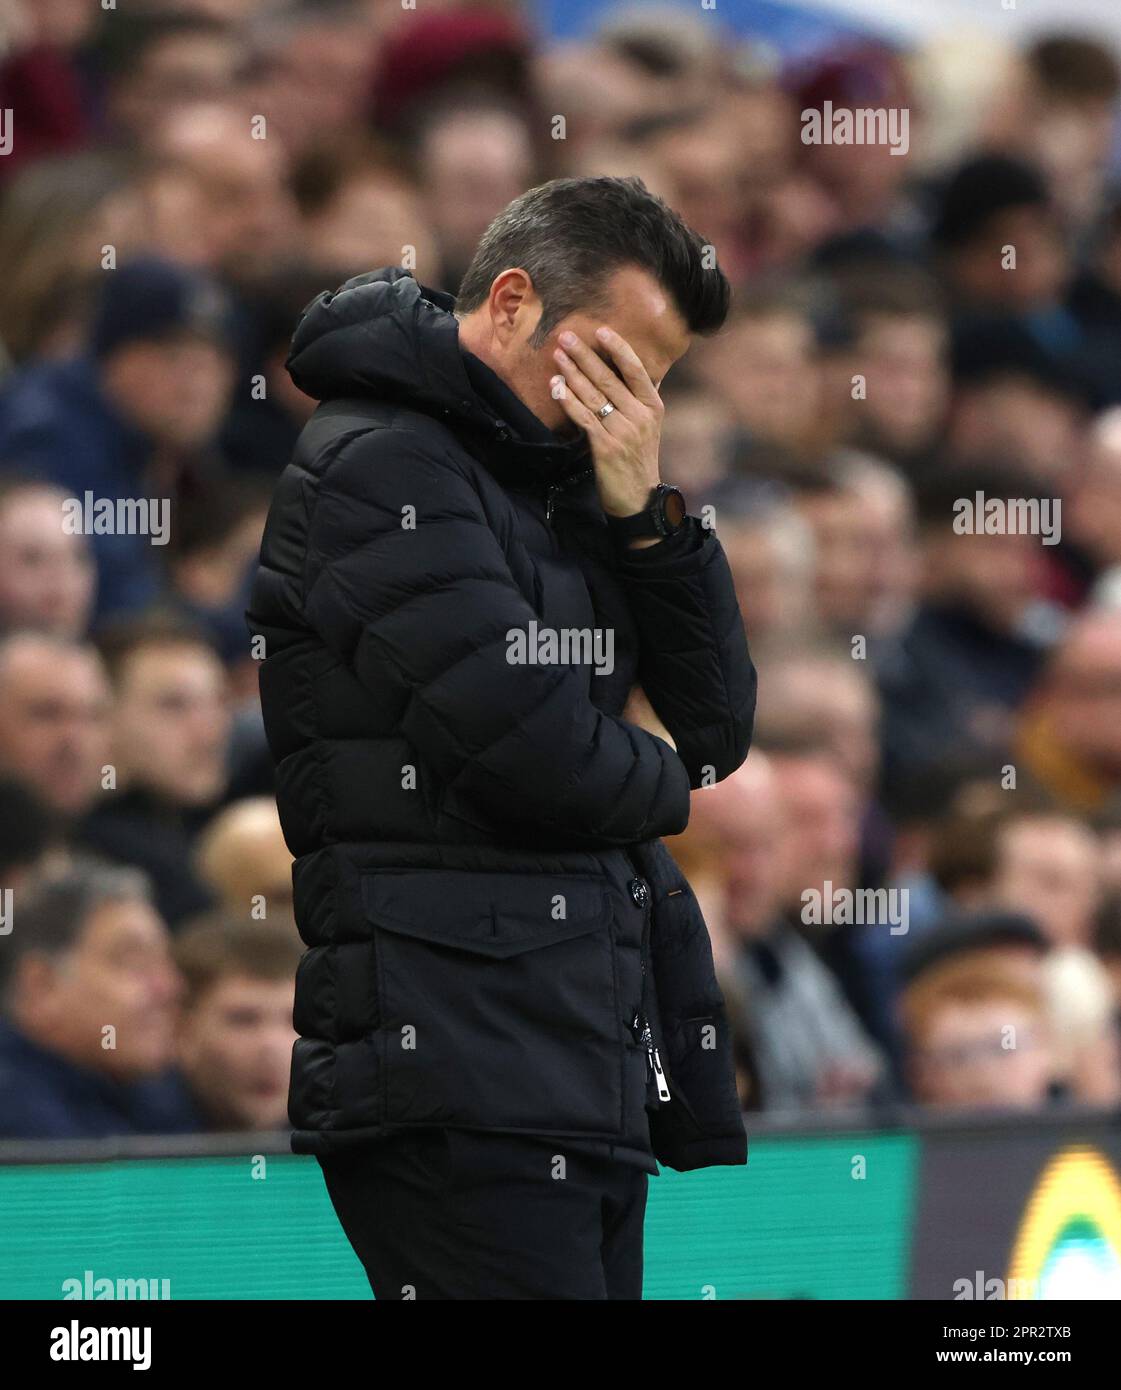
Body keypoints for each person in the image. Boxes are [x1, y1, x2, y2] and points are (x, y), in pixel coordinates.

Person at [248, 175, 755, 1300]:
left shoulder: (573, 474)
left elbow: (717, 726)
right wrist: (655, 765)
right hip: (452, 1066)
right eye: (606, 363)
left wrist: (644, 514)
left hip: (579, 1059)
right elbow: (539, 757)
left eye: (649, 384)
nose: (619, 406)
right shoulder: (376, 466)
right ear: (513, 302)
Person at [0, 862, 198, 1140]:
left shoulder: (154, 1092)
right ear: (41, 986)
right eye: (135, 962)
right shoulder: (21, 1124)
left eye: (166, 962)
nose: (170, 988)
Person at [77, 614, 231, 927]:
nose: (210, 733)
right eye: (174, 706)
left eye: (218, 702)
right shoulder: (90, 851)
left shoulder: (220, 823)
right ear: (102, 715)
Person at [173, 916, 299, 1132]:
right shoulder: (122, 1142)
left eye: (295, 1021)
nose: (272, 1045)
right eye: (244, 1020)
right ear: (182, 1032)